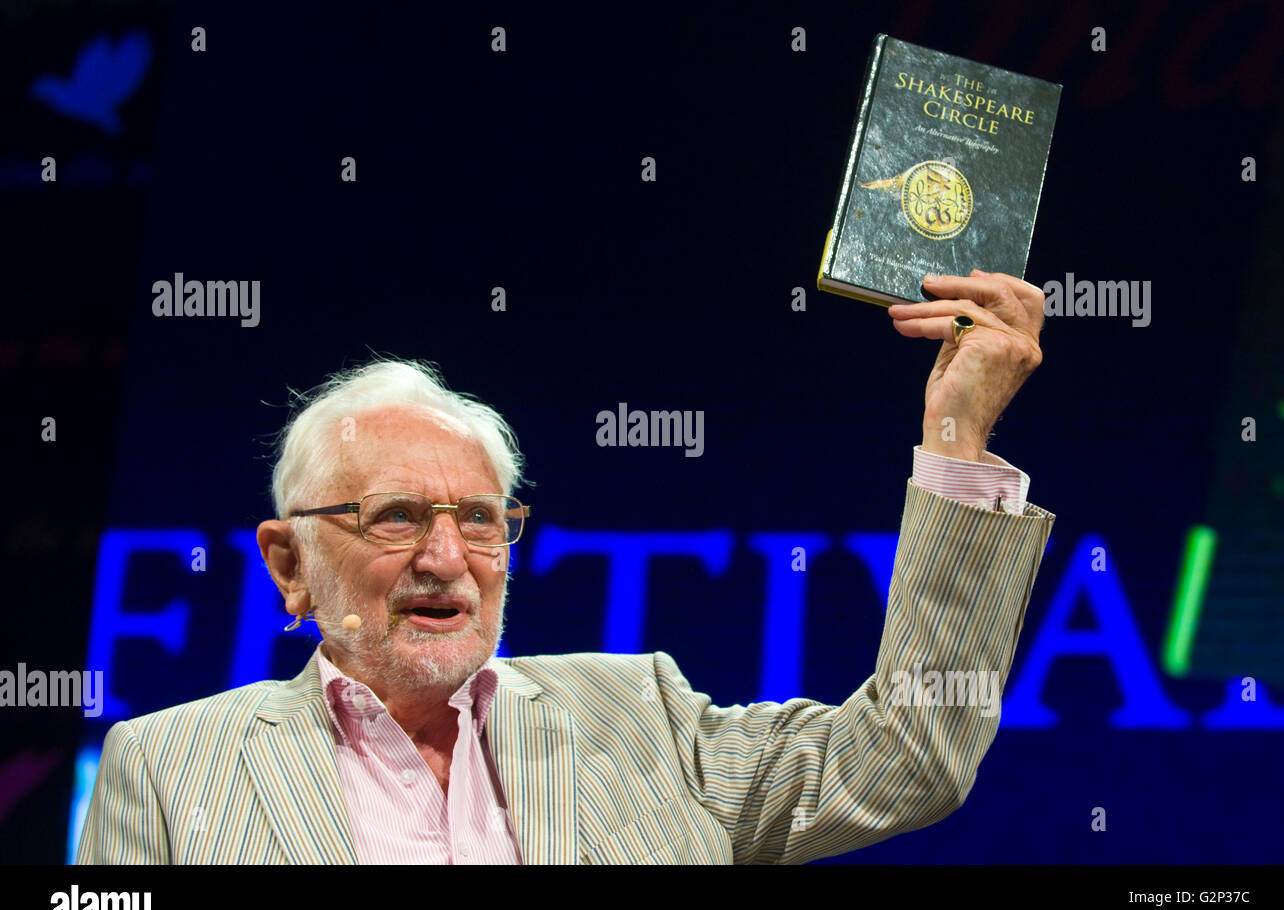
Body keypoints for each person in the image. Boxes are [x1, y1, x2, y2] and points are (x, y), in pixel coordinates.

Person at [77, 271, 1054, 864]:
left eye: (481, 520)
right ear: (289, 564)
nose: (447, 557)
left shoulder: (643, 721)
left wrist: (958, 433)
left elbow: (911, 756)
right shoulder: (166, 772)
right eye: (399, 518)